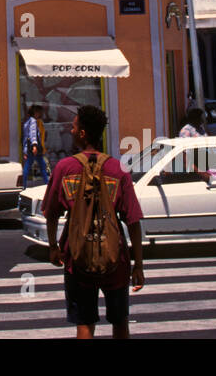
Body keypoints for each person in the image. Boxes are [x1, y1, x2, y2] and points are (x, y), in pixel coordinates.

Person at [43, 105, 145, 339]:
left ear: (82, 133)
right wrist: (138, 265)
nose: (70, 130)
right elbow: (133, 220)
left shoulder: (64, 168)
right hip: (115, 259)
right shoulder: (117, 169)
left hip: (77, 259)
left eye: (74, 126)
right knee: (120, 322)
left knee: (85, 323)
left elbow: (51, 213)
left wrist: (52, 247)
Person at [22, 105, 49, 185]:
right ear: (35, 113)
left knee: (33, 165)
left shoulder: (28, 121)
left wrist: (25, 150)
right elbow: (33, 133)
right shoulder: (33, 121)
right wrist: (34, 145)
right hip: (34, 148)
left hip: (29, 147)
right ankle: (46, 183)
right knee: (40, 165)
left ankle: (24, 184)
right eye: (38, 112)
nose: (40, 114)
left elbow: (25, 137)